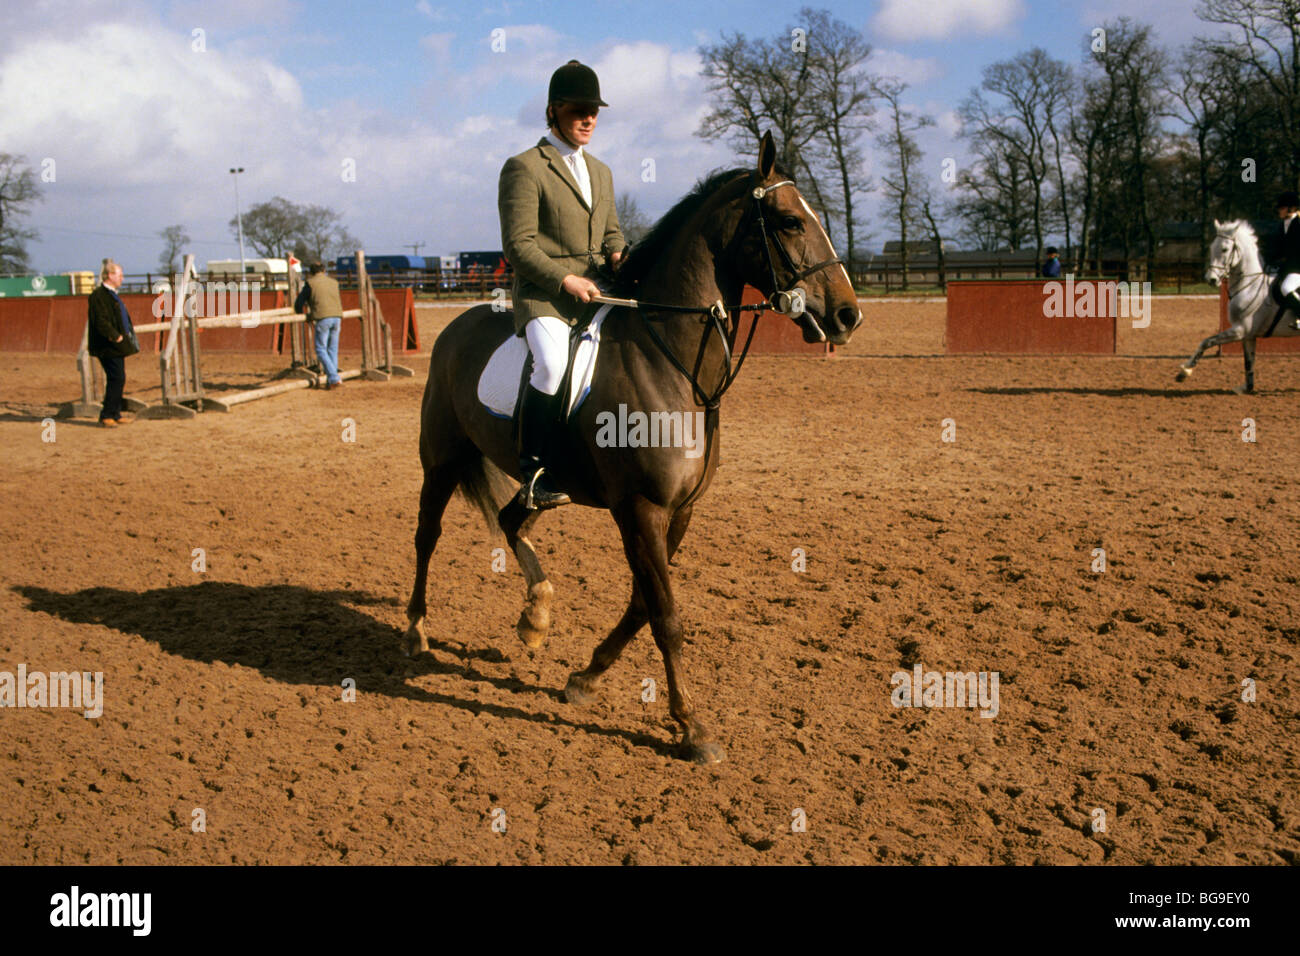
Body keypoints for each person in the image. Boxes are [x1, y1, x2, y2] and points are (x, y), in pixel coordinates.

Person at [498, 59, 627, 509]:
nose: (588, 118)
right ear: (554, 111)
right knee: (551, 365)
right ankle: (533, 472)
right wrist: (565, 279)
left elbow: (611, 233)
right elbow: (518, 246)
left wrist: (620, 256)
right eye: (578, 111)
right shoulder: (525, 167)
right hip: (544, 297)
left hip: (596, 294)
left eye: (593, 111)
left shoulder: (602, 171)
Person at [86, 258, 137, 427]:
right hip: (107, 345)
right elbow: (101, 320)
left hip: (116, 344)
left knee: (118, 378)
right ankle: (107, 414)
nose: (122, 278)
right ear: (109, 275)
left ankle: (114, 413)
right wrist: (114, 335)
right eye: (119, 275)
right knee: (116, 377)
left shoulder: (113, 295)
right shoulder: (98, 296)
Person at [294, 260, 344, 389]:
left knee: (321, 349)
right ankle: (331, 379)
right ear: (324, 270)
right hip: (337, 317)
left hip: (322, 318)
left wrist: (301, 314)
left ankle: (333, 377)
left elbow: (299, 303)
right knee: (332, 349)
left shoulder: (310, 283)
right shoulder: (334, 283)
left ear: (311, 272)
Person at [1266, 190, 1300, 330]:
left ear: (1290, 208)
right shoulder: (1282, 225)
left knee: (1286, 287)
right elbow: (1279, 248)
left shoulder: (1298, 223)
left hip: (1298, 267)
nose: (1279, 211)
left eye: (1281, 208)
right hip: (1288, 267)